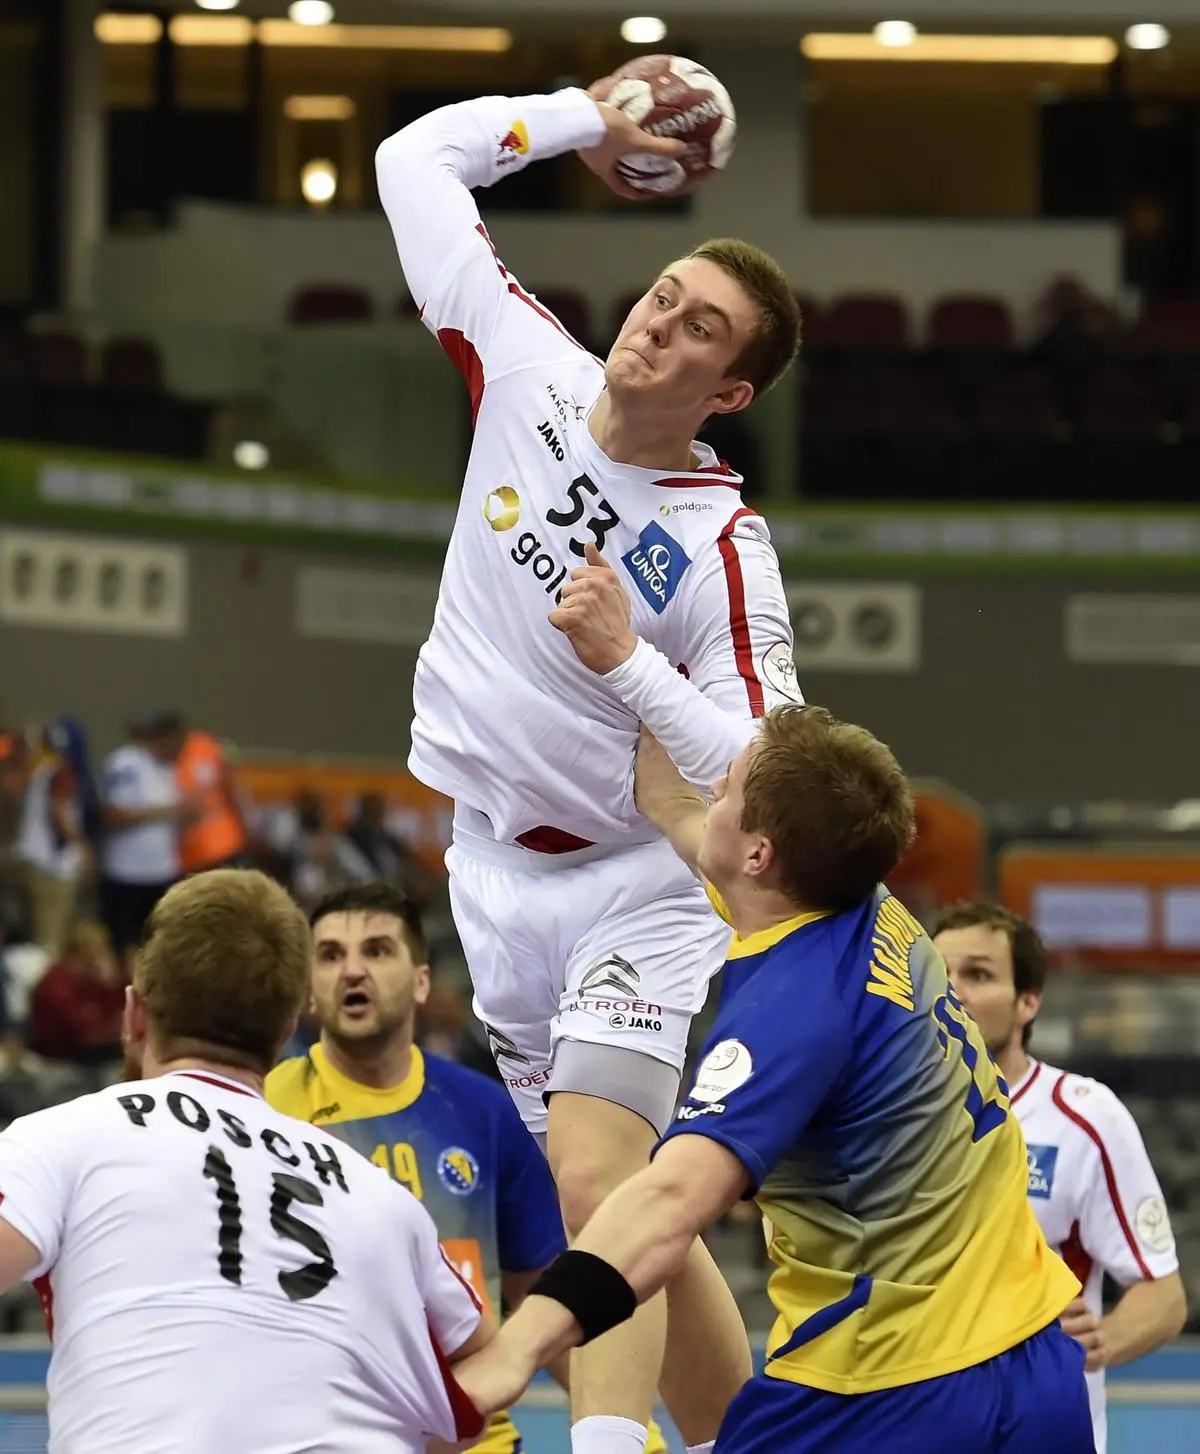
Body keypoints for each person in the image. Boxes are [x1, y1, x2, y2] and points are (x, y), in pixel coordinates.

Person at [376, 71, 804, 1454]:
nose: (660, 324)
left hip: (640, 885)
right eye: (664, 295)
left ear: (728, 389)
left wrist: (629, 659)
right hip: (489, 876)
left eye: (701, 332)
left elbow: (764, 763)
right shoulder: (526, 364)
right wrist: (578, 118)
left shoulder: (724, 548)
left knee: (589, 1180)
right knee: (633, 1232)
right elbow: (412, 161)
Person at [450, 707, 1091, 1454]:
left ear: (759, 853)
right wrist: (631, 671)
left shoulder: (789, 1014)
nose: (714, 785)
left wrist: (516, 1349)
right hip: (1036, 1359)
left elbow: (668, 1203)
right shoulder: (867, 906)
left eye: (730, 790)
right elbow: (685, 816)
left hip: (890, 1389)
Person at [0, 869, 491, 1453]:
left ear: (133, 1014)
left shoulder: (61, 1138)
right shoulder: (384, 1198)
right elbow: (481, 1351)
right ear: (287, 1028)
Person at [268, 883, 668, 1454]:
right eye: (330, 956)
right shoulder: (265, 1111)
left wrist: (635, 1437)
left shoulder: (487, 1112)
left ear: (423, 981)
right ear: (309, 990)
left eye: (377, 951)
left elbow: (543, 1303)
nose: (352, 971)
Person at [933, 901, 1187, 1454]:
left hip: (1039, 1431)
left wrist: (1102, 1340)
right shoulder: (878, 1112)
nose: (953, 991)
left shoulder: (1086, 1117)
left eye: (977, 974)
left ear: (1029, 1001)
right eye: (937, 973)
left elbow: (1163, 1294)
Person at [97, 711, 197, 974]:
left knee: (160, 943)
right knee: (125, 944)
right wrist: (170, 811)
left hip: (163, 871)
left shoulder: (170, 770)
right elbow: (113, 813)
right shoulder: (127, 763)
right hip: (127, 873)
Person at [176, 724, 249, 874]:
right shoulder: (204, 746)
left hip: (223, 843)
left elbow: (232, 788)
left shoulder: (204, 746)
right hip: (192, 852)